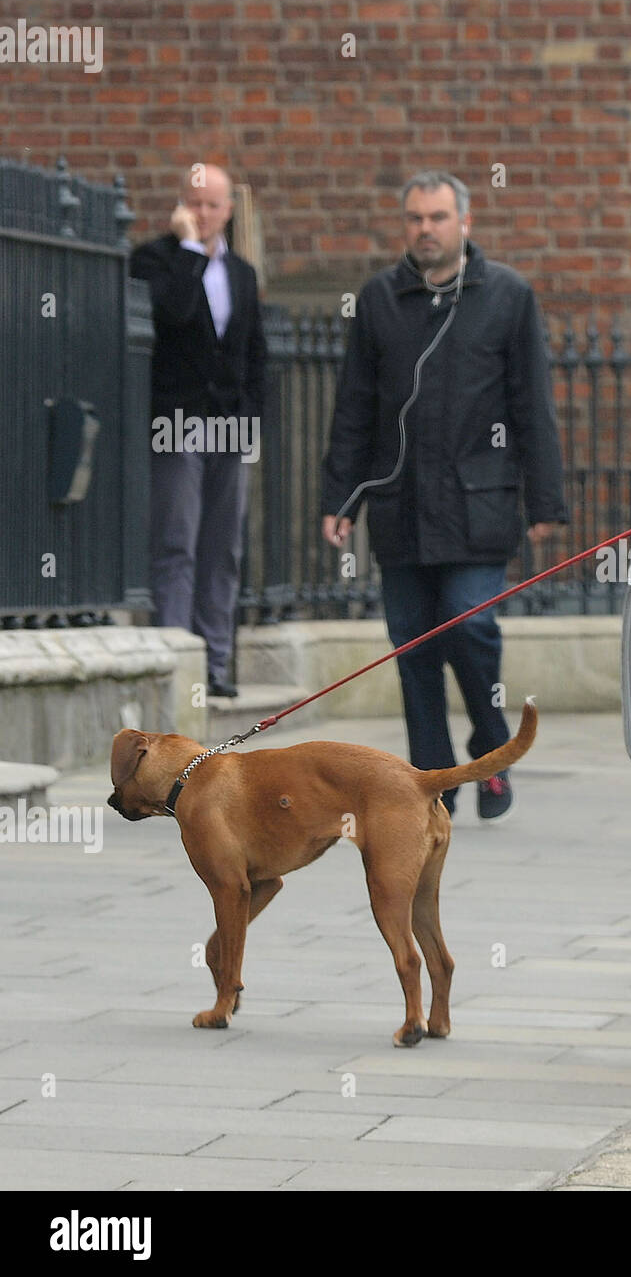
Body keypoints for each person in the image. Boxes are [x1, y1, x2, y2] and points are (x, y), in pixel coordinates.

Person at [321, 171, 567, 822]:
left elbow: (531, 406)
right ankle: (430, 783)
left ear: (465, 221)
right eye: (414, 218)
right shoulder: (378, 300)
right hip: (399, 508)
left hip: (477, 505)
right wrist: (339, 499)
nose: (424, 229)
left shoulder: (507, 296)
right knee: (413, 648)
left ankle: (489, 744)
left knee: (469, 621)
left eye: (436, 217)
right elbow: (353, 407)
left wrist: (546, 502)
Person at [130, 163, 266, 698]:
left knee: (223, 546)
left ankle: (214, 664)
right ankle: (177, 661)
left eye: (214, 205)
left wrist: (251, 417)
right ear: (181, 204)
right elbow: (173, 315)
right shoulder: (155, 260)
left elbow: (256, 353)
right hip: (176, 423)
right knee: (176, 541)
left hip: (228, 427)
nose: (205, 214)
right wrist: (188, 252)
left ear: (229, 209)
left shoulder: (243, 274)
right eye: (196, 203)